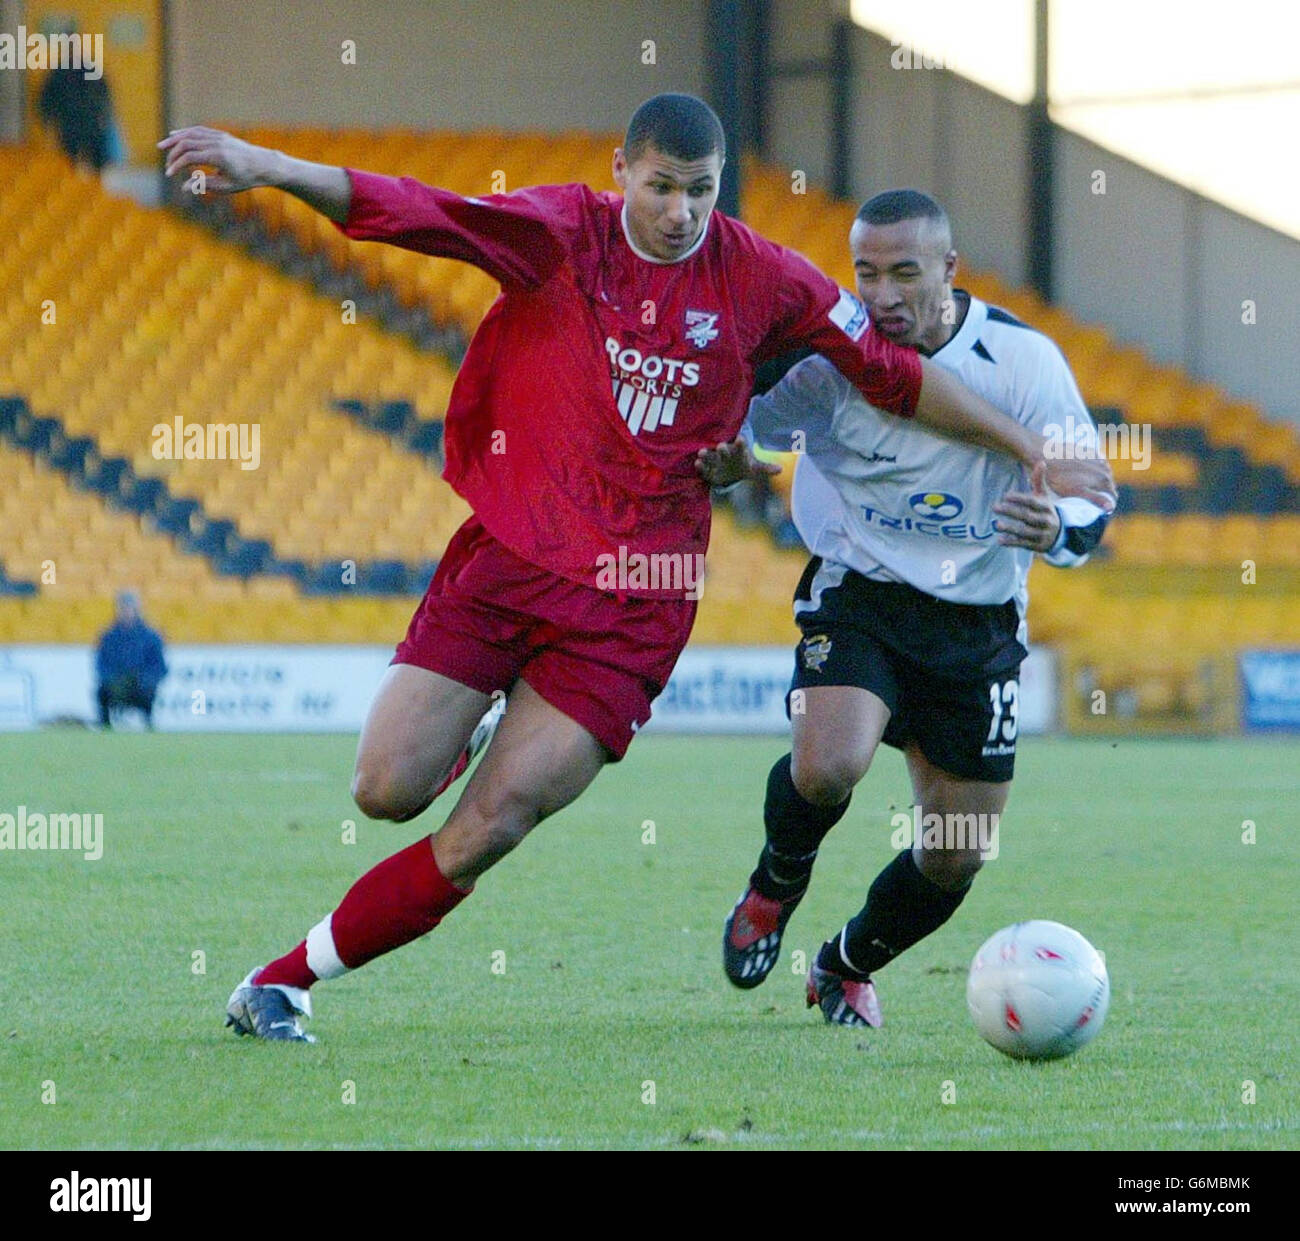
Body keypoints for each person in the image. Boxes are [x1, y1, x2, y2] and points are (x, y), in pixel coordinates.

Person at [158, 96, 1114, 1043]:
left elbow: (890, 374)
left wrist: (1028, 447)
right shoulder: (562, 233)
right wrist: (271, 167)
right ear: (621, 172)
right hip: (513, 557)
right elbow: (421, 211)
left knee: (492, 824)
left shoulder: (765, 277)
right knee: (383, 789)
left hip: (634, 606)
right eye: (661, 187)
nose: (681, 212)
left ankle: (283, 982)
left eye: (701, 190)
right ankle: (481, 725)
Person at [712, 189, 1109, 1027]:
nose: (883, 294)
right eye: (866, 273)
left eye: (904, 272)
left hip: (976, 623)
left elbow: (1090, 494)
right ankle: (776, 881)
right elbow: (731, 417)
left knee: (956, 854)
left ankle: (844, 963)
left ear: (949, 269)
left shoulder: (1024, 361)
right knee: (829, 765)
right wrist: (729, 455)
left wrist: (1058, 527)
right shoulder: (828, 360)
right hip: (862, 592)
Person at [95, 591, 168, 729]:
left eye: (129, 607)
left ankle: (149, 723)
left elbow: (159, 666)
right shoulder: (108, 636)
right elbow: (101, 664)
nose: (126, 612)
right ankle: (105, 725)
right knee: (102, 691)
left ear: (137, 609)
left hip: (141, 685)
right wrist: (112, 680)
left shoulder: (151, 636)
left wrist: (146, 680)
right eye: (123, 608)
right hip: (117, 684)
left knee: (148, 692)